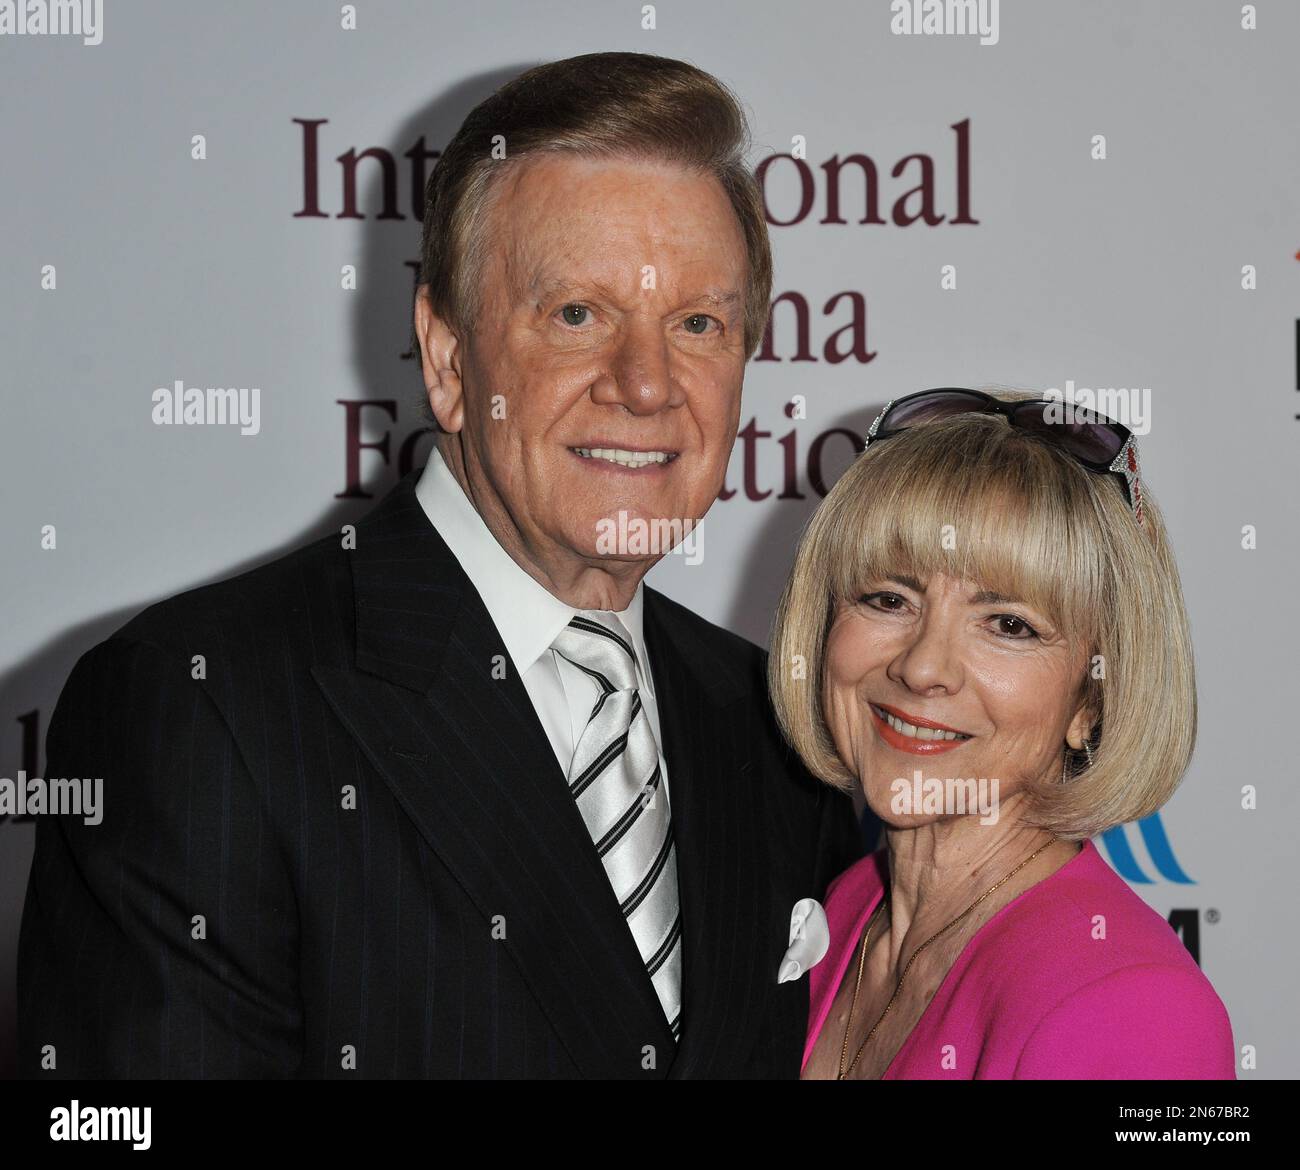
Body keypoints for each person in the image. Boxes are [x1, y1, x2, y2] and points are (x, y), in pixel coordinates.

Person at [17, 51, 861, 1080]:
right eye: (576, 314)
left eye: (697, 324)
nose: (647, 385)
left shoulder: (778, 730)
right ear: (450, 361)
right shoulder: (202, 704)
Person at [769, 387, 1236, 1079]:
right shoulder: (850, 908)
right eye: (888, 599)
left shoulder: (1135, 1009)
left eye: (1008, 625)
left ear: (1094, 697)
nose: (924, 666)